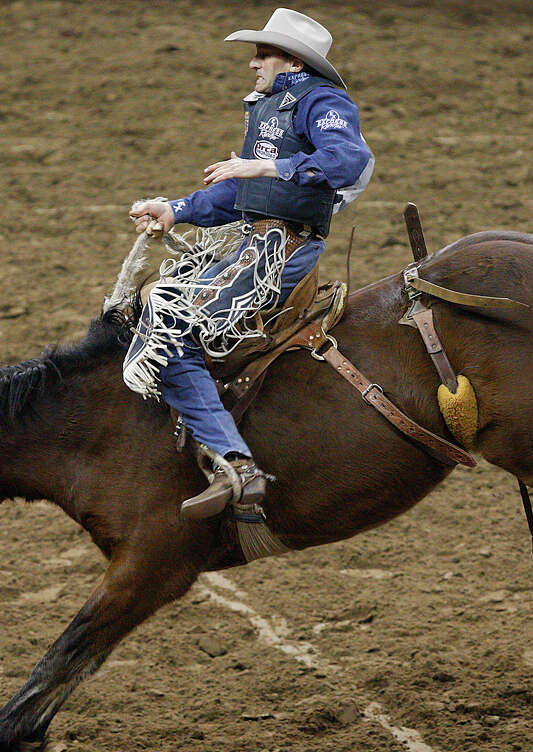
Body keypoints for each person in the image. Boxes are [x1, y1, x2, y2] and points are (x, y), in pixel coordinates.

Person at [127, 8, 373, 520]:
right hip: (254, 245)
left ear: (293, 61)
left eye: (262, 54)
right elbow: (243, 194)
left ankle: (235, 462)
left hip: (282, 251)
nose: (252, 64)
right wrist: (175, 209)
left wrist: (268, 165)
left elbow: (347, 159)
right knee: (150, 306)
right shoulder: (268, 108)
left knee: (168, 322)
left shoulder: (323, 100)